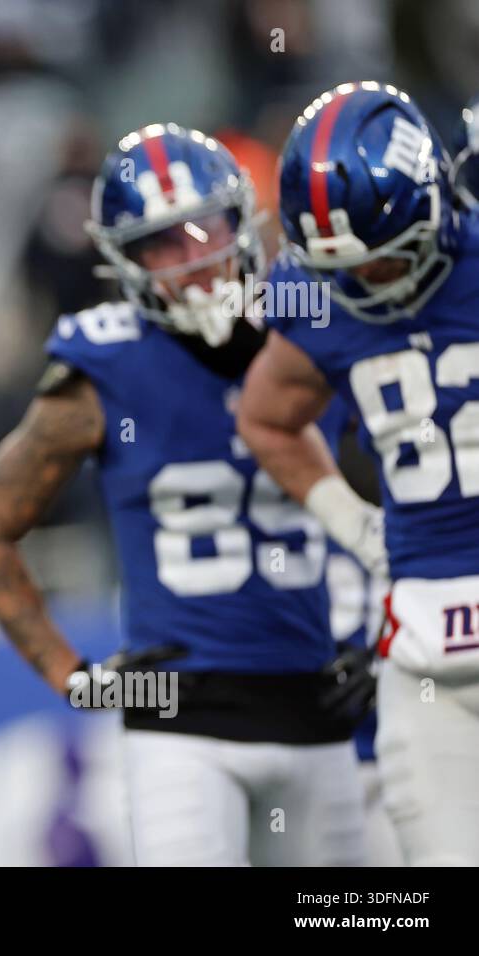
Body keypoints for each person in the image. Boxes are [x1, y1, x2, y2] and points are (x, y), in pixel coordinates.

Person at [0, 125, 368, 866]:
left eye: (204, 230)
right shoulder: (104, 366)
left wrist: (390, 643)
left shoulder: (316, 324)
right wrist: (73, 678)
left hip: (323, 706)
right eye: (162, 245)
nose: (194, 259)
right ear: (126, 261)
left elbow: (419, 492)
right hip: (181, 723)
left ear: (242, 222)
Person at [238, 81, 479, 866]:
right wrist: (352, 523)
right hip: (423, 651)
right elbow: (267, 417)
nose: (369, 281)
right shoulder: (320, 298)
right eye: (345, 268)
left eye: (385, 257)